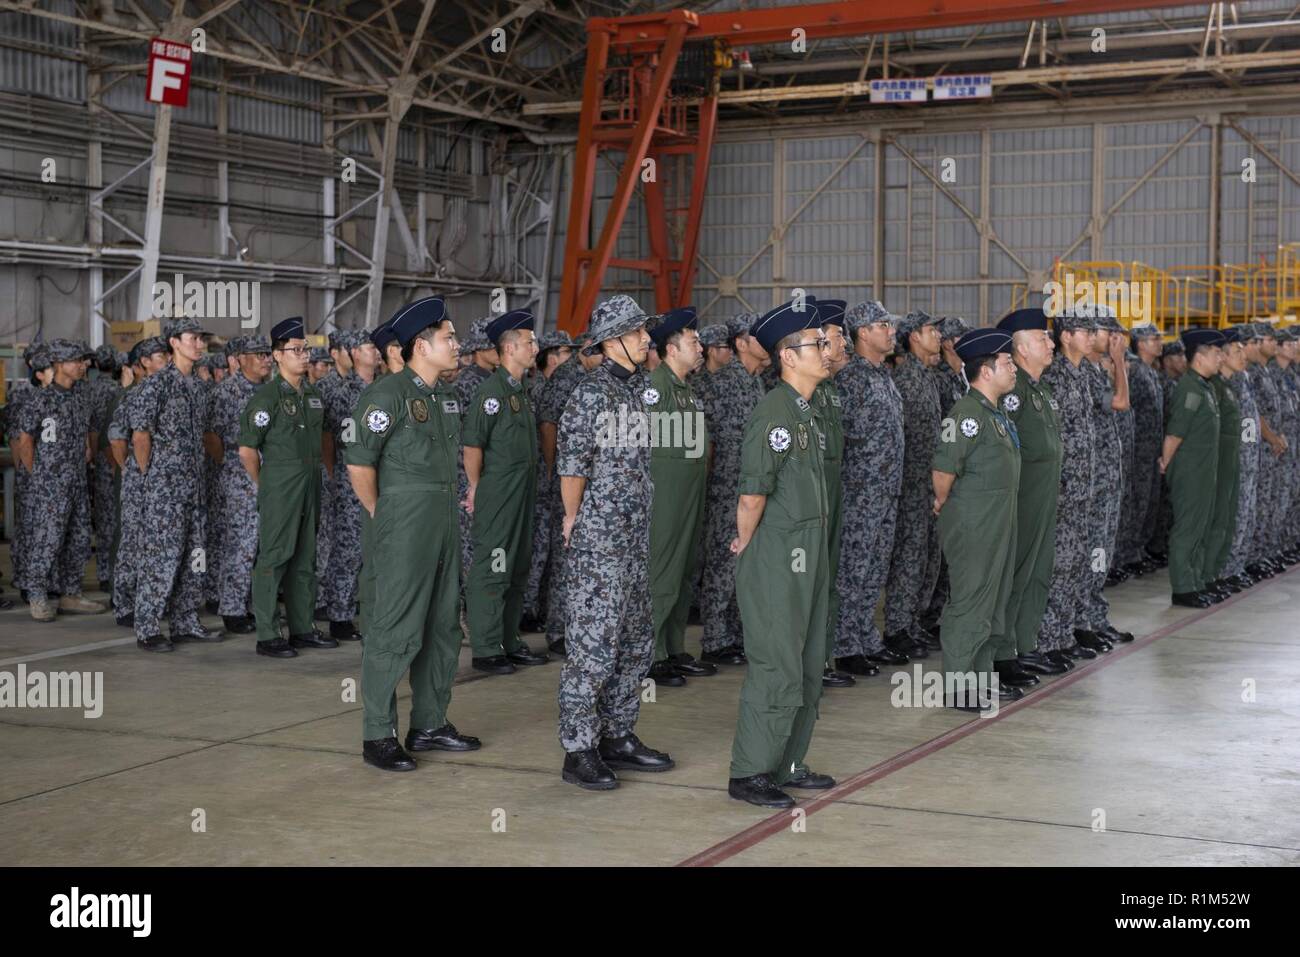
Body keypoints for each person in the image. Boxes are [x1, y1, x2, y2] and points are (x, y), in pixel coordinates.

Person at [346, 297, 480, 771]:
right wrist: (383, 514)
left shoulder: (444, 396)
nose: (457, 344)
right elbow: (359, 463)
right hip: (404, 522)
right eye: (448, 337)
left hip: (442, 518)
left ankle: (428, 723)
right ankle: (378, 734)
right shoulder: (387, 395)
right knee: (395, 628)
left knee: (443, 627)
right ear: (421, 346)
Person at [556, 295, 674, 790]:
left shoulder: (638, 388)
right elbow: (573, 464)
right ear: (612, 342)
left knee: (634, 640)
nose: (647, 338)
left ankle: (617, 734)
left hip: (632, 539)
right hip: (599, 539)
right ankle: (579, 748)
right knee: (593, 645)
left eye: (645, 330)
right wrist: (572, 518)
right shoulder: (591, 393)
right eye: (637, 332)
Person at [727, 300, 837, 809]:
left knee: (810, 658)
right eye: (817, 343)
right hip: (778, 552)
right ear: (789, 357)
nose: (827, 349)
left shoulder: (806, 410)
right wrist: (746, 540)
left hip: (809, 551)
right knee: (777, 662)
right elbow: (753, 492)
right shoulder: (774, 411)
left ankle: (789, 760)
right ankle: (750, 771)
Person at [931, 328, 1023, 710]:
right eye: (1007, 363)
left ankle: (981, 677)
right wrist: (945, 505)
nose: (1013, 369)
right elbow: (943, 470)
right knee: (970, 600)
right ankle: (956, 684)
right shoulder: (966, 414)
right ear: (985, 371)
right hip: (974, 522)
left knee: (993, 599)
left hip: (997, 519)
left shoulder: (994, 413)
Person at [239, 317, 335, 658]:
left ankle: (302, 628)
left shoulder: (312, 395)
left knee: (305, 558)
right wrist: (264, 484)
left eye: (305, 349)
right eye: (296, 350)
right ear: (277, 356)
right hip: (281, 483)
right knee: (275, 556)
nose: (304, 355)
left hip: (310, 482)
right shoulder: (267, 397)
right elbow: (248, 448)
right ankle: (267, 634)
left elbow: (324, 439)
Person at [463, 309, 549, 673]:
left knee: (516, 567)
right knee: (493, 568)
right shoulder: (491, 393)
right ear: (510, 348)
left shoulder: (521, 391)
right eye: (530, 342)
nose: (535, 348)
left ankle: (509, 639)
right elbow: (472, 446)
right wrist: (476, 487)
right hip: (499, 496)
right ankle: (486, 648)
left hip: (522, 495)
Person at [130, 320, 221, 651]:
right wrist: (150, 477)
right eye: (193, 338)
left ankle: (185, 621)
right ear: (174, 342)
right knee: (161, 559)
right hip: (166, 492)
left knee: (194, 558)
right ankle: (148, 626)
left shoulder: (198, 387)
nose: (199, 344)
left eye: (201, 339)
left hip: (195, 490)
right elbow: (140, 436)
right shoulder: (156, 386)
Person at [643, 306, 716, 687]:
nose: (700, 347)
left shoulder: (686, 389)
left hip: (690, 491)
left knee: (685, 568)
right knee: (663, 570)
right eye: (693, 341)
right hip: (667, 491)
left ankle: (673, 647)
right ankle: (650, 653)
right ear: (672, 349)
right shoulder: (656, 388)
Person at [832, 301, 904, 676]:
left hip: (886, 493)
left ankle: (865, 637)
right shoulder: (851, 380)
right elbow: (838, 442)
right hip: (859, 493)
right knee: (853, 570)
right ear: (862, 332)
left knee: (875, 568)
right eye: (882, 325)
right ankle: (845, 646)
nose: (890, 330)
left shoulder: (882, 376)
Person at [993, 307, 1064, 679]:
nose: (1051, 343)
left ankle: (1026, 643)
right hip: (1022, 495)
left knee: (1038, 569)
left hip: (1044, 494)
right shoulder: (1013, 390)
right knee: (1016, 570)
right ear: (1020, 350)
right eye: (1042, 338)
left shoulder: (1039, 388)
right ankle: (1003, 652)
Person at [13, 339, 105, 621]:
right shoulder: (39, 399)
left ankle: (71, 594)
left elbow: (90, 429)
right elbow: (25, 440)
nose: (83, 365)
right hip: (49, 485)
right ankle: (38, 595)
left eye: (84, 360)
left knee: (78, 538)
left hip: (77, 481)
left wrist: (87, 451)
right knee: (47, 540)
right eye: (77, 361)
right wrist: (38, 476)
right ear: (59, 364)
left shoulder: (81, 395)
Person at [696, 315, 767, 665]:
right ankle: (714, 637)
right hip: (727, 489)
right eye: (758, 337)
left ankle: (738, 633)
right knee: (723, 563)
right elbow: (708, 444)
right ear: (741, 343)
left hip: (751, 489)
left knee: (746, 563)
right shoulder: (721, 383)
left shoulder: (757, 383)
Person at [1037, 308, 1099, 667]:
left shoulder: (1081, 374)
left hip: (1082, 489)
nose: (1091, 336)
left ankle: (1065, 632)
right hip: (1062, 490)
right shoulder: (1056, 377)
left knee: (1075, 563)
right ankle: (1047, 640)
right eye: (1083, 330)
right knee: (1058, 565)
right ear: (1065, 337)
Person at [884, 310, 945, 659]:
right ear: (914, 338)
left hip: (928, 485)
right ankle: (897, 627)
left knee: (925, 556)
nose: (936, 335)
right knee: (909, 556)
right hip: (910, 485)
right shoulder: (906, 379)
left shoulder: (926, 376)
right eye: (929, 330)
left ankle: (913, 622)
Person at [204, 335, 272, 635]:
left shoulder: (272, 391)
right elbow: (212, 437)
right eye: (258, 354)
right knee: (241, 544)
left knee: (260, 545)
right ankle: (232, 608)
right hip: (238, 473)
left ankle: (250, 604)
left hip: (269, 472)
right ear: (239, 359)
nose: (265, 359)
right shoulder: (226, 393)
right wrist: (227, 465)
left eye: (267, 354)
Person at [538, 332, 601, 657]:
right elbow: (548, 425)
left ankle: (578, 626)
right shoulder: (567, 377)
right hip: (567, 480)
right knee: (564, 556)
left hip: (589, 482)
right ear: (587, 351)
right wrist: (553, 468)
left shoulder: (594, 379)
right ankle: (557, 630)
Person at [318, 330, 377, 642]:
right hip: (349, 478)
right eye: (369, 347)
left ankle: (367, 610)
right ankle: (339, 614)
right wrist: (332, 475)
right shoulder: (345, 392)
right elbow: (330, 439)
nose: (376, 352)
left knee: (373, 549)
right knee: (349, 548)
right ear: (354, 354)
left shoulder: (383, 389)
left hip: (379, 477)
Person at [1161, 327, 1226, 607]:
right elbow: (1175, 433)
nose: (1221, 358)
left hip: (1203, 471)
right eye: (1216, 353)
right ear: (1199, 357)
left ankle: (1196, 580)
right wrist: (1166, 463)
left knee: (1201, 526)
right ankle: (1183, 587)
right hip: (1189, 471)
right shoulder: (1189, 388)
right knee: (1187, 528)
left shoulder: (1204, 386)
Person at [521, 331, 575, 632]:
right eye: (568, 351)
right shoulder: (539, 388)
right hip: (541, 482)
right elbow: (546, 430)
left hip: (547, 483)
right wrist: (553, 468)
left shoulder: (546, 385)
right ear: (553, 356)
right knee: (539, 548)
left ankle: (536, 608)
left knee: (546, 548)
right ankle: (529, 609)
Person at [1120, 323, 1165, 576]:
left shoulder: (1148, 371)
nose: (1159, 342)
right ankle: (1127, 555)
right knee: (1136, 503)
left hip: (1151, 449)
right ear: (1141, 342)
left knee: (1148, 503)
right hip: (1138, 451)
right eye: (1154, 338)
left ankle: (1138, 551)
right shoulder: (1135, 371)